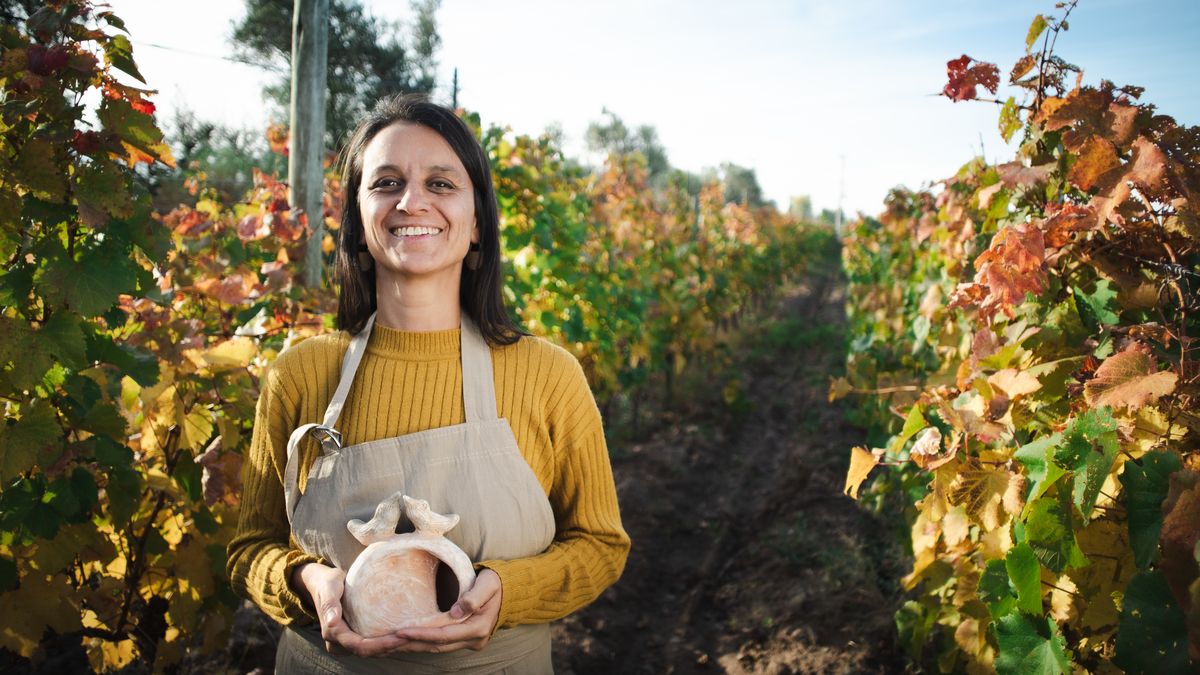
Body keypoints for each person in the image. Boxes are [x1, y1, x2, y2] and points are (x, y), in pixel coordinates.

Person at [227, 93, 630, 674]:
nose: (411, 200)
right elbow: (249, 550)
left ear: (476, 226)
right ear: (359, 223)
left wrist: (507, 591)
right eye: (386, 182)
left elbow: (601, 546)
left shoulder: (547, 376)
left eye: (441, 184)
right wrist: (304, 580)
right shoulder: (299, 375)